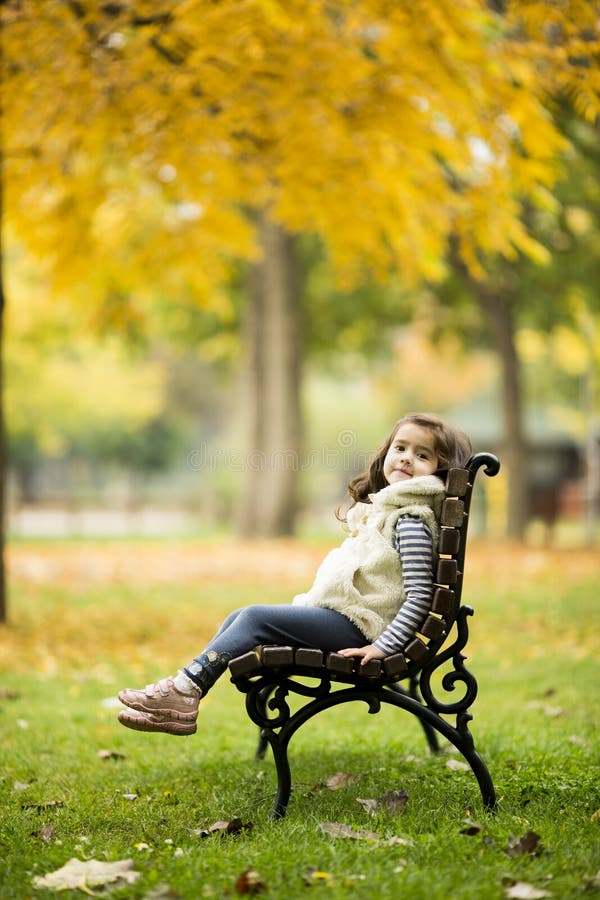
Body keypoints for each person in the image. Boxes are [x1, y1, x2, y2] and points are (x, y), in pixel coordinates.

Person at [117, 412, 472, 736]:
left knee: (255, 617)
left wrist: (384, 647)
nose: (407, 458)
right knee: (239, 616)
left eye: (422, 455)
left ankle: (183, 690)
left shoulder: (409, 520)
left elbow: (420, 594)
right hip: (351, 618)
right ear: (387, 453)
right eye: (400, 447)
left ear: (437, 470)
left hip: (363, 626)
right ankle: (180, 703)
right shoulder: (392, 508)